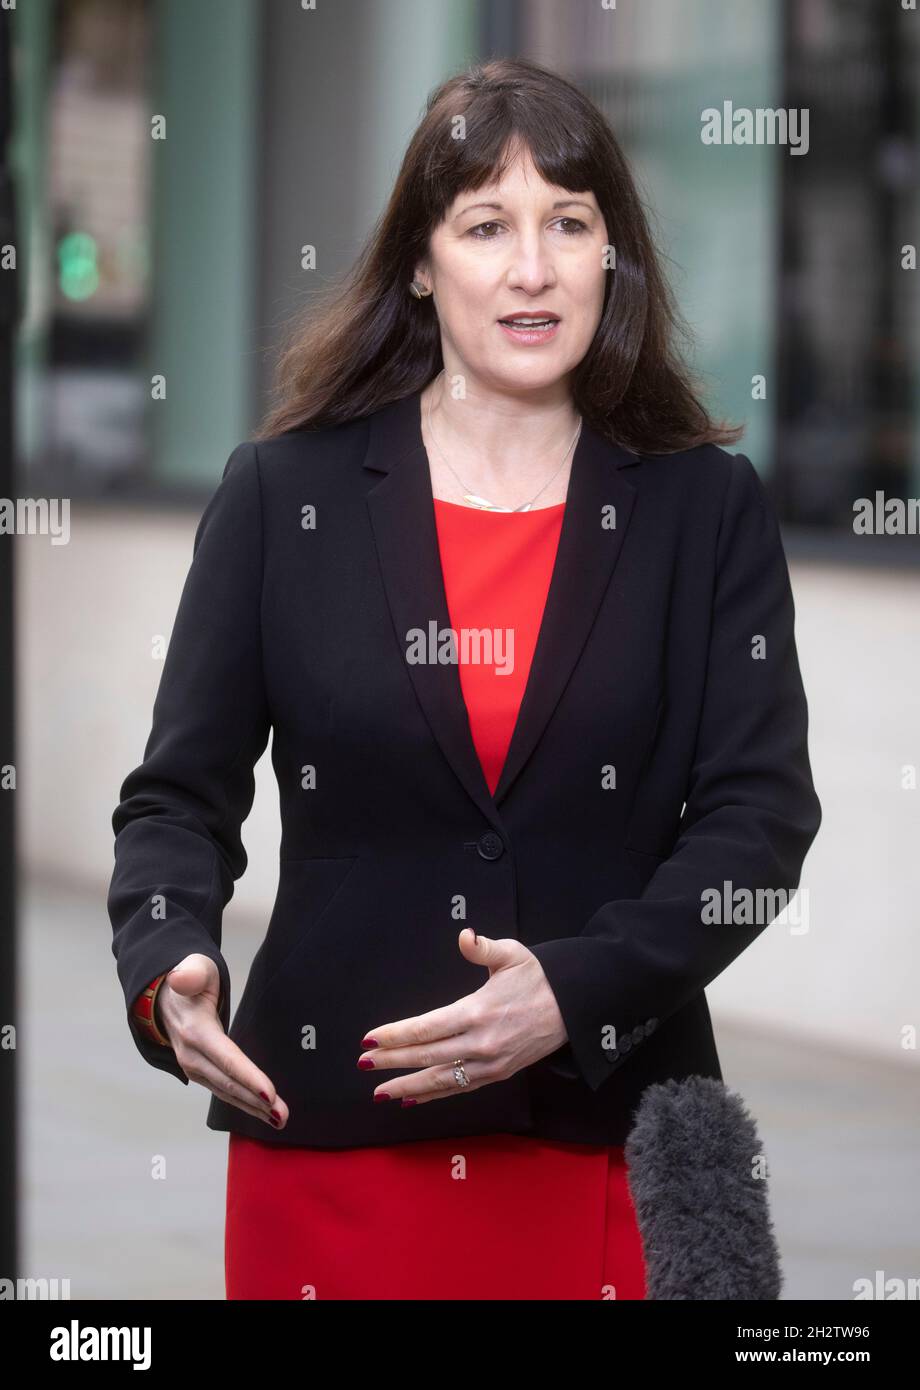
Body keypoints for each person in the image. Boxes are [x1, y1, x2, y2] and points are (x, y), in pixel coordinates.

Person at [107, 58, 821, 1301]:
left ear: (615, 258)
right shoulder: (284, 496)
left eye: (569, 224)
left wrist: (577, 988)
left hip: (605, 1143)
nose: (531, 268)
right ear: (422, 262)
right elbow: (178, 794)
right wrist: (167, 955)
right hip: (331, 1152)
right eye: (486, 225)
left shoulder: (705, 510)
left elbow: (757, 825)